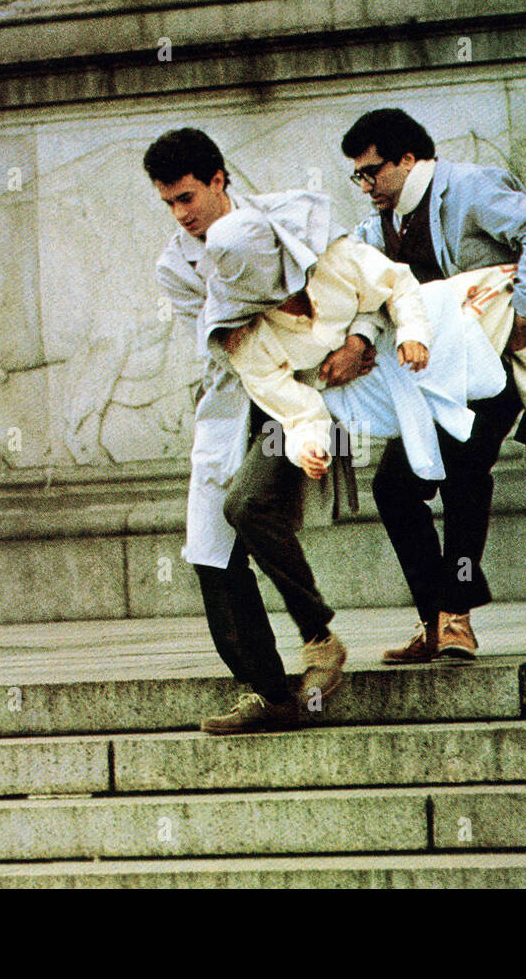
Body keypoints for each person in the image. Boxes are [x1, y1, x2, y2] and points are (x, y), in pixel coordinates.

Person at [145, 129, 369, 734]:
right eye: (168, 203)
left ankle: (320, 638)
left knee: (247, 504)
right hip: (237, 400)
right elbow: (229, 338)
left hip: (306, 394)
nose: (180, 214)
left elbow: (358, 285)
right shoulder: (175, 265)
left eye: (187, 197)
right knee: (211, 556)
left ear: (219, 179)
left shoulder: (290, 216)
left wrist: (358, 337)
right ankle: (269, 692)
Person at [340, 108, 526, 664]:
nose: (366, 186)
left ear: (408, 159)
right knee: (395, 485)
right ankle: (435, 618)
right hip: (432, 375)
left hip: (492, 367)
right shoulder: (378, 226)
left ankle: (456, 618)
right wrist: (361, 343)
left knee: (465, 466)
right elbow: (371, 294)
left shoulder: (468, 185)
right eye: (359, 176)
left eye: (373, 172)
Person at [203, 206, 507, 491]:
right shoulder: (244, 342)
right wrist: (309, 446)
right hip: (363, 392)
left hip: (415, 336)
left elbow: (397, 283)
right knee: (400, 485)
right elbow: (296, 410)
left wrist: (409, 333)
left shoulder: (333, 257)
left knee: (485, 406)